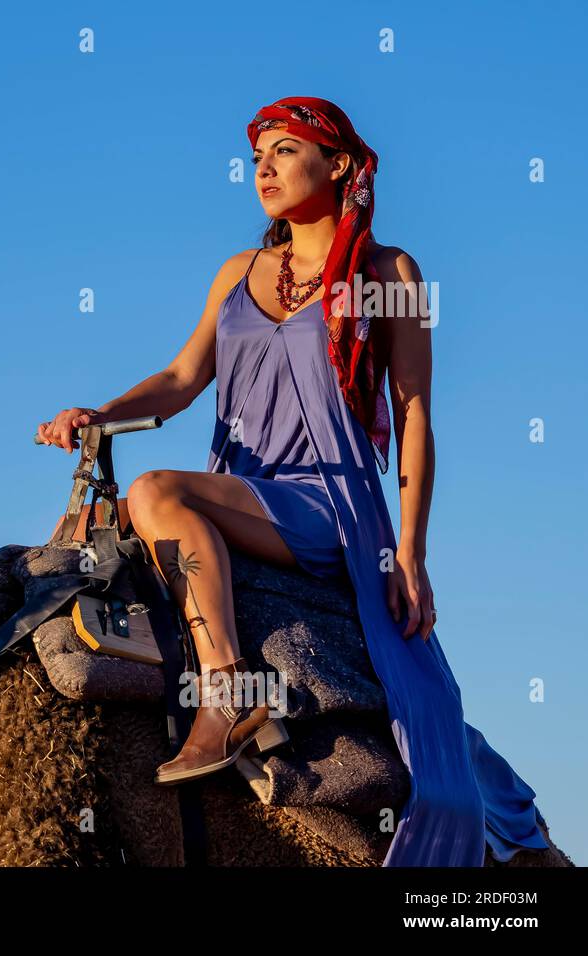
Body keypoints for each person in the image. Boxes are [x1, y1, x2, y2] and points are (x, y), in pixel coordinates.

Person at [36, 97, 550, 867]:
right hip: (242, 488)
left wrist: (410, 553)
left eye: (284, 151)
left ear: (339, 164)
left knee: (153, 494)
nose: (264, 170)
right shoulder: (238, 275)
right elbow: (181, 379)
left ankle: (228, 695)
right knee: (129, 520)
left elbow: (412, 417)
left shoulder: (386, 273)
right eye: (256, 159)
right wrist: (99, 413)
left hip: (331, 504)